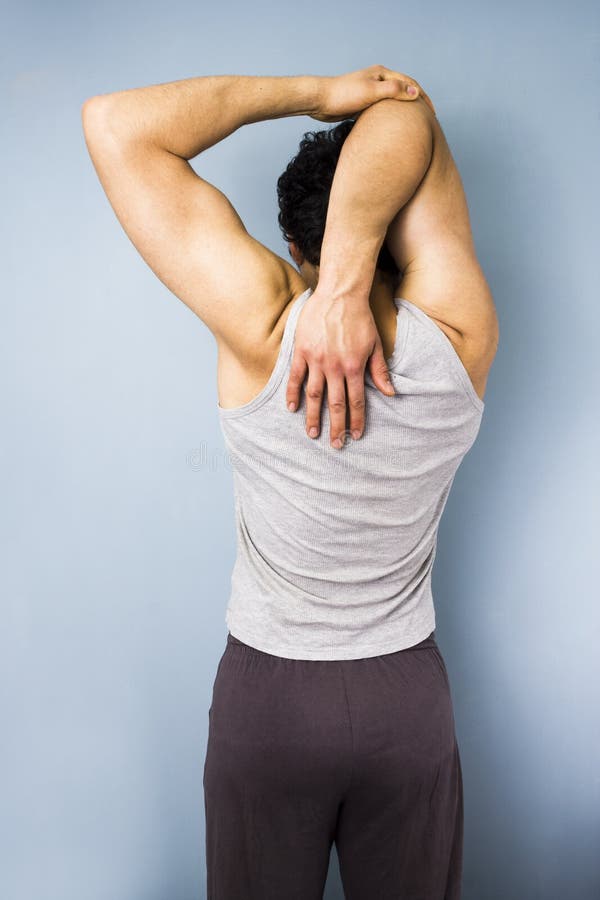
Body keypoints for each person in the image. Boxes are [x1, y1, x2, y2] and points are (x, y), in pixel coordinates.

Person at [82, 65, 499, 900]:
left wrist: (316, 91)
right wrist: (355, 278)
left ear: (296, 245)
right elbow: (407, 113)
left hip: (269, 700)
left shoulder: (262, 323)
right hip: (406, 698)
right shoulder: (459, 332)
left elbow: (115, 124)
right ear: (400, 229)